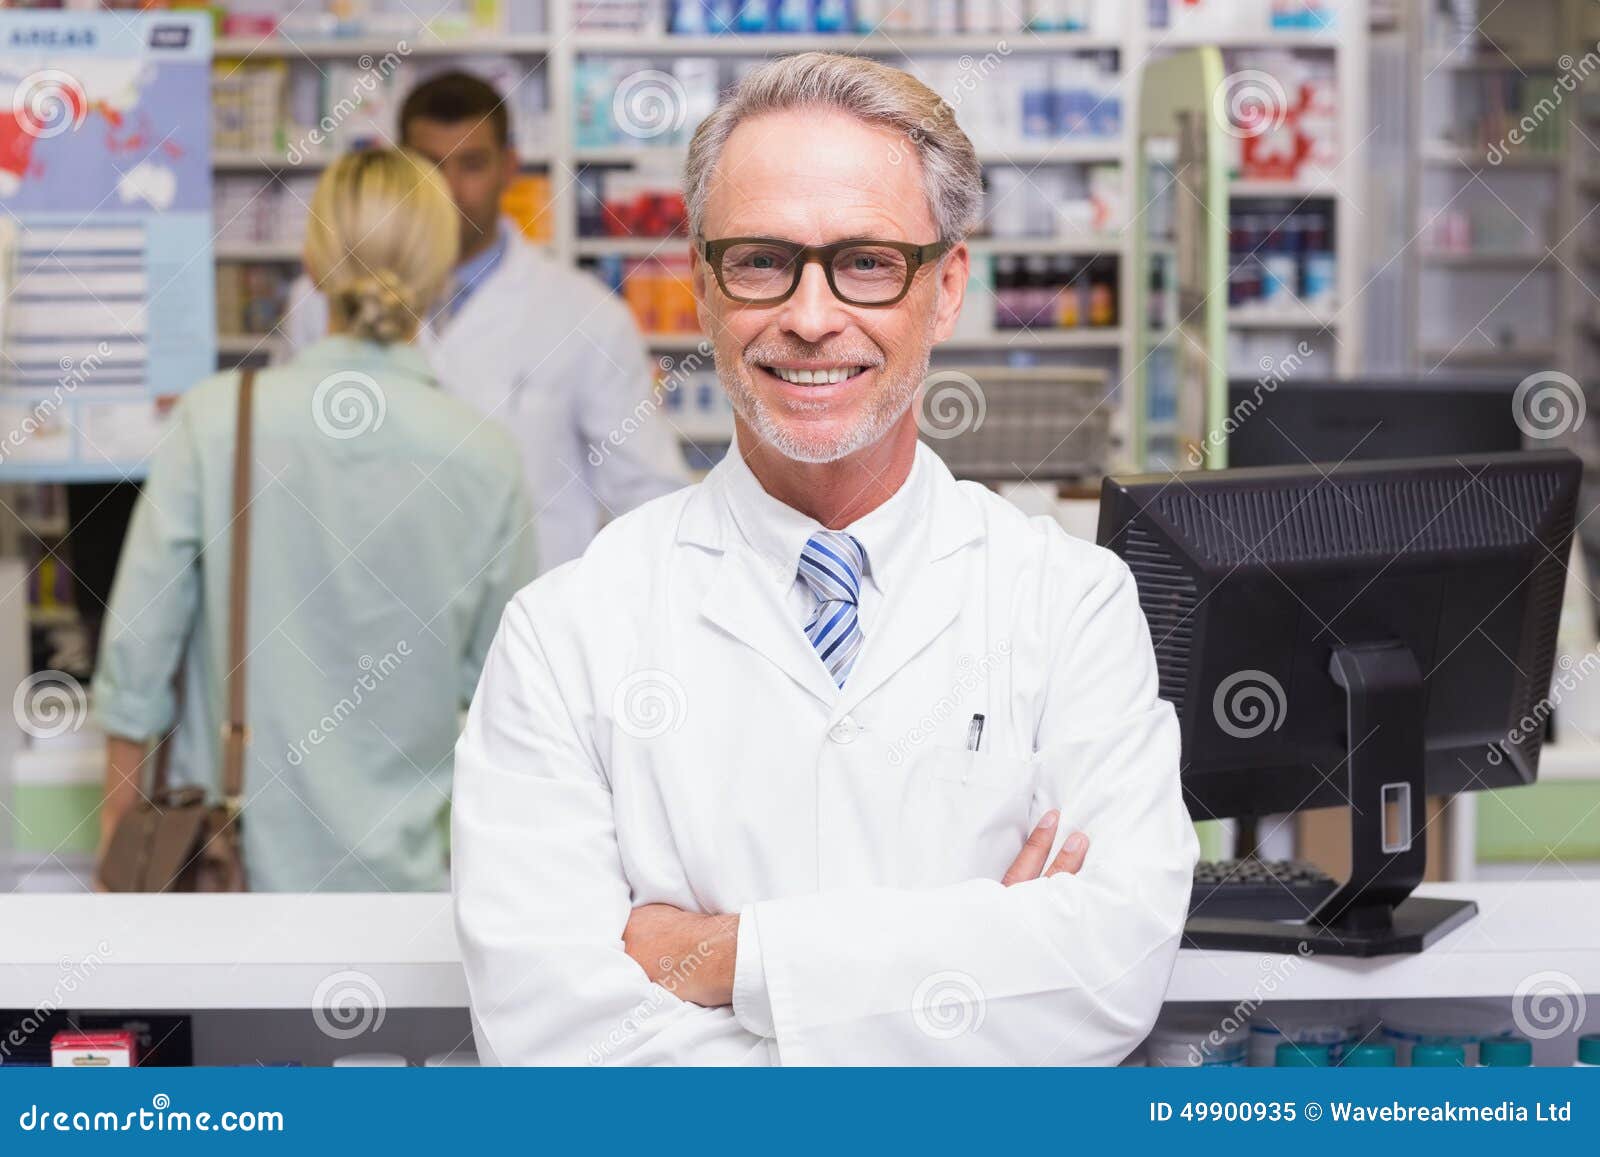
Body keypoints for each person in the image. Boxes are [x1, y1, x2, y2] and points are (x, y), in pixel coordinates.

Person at [452, 54, 1197, 1064]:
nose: (810, 317)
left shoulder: (1070, 602)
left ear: (945, 287)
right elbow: (554, 1041)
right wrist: (980, 960)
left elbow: (1106, 973)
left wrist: (724, 956)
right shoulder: (567, 631)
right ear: (704, 289)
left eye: (866, 261)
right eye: (762, 260)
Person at [95, 150, 535, 892]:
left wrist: (118, 844)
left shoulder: (218, 421)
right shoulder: (485, 455)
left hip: (233, 879)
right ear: (441, 266)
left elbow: (139, 651)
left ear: (313, 256)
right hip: (415, 892)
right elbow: (513, 703)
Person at [282, 71, 687, 571]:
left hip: (530, 619)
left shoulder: (587, 315)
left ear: (509, 167)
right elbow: (290, 468)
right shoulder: (322, 300)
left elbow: (648, 496)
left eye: (471, 165)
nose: (451, 191)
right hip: (366, 606)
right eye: (431, 166)